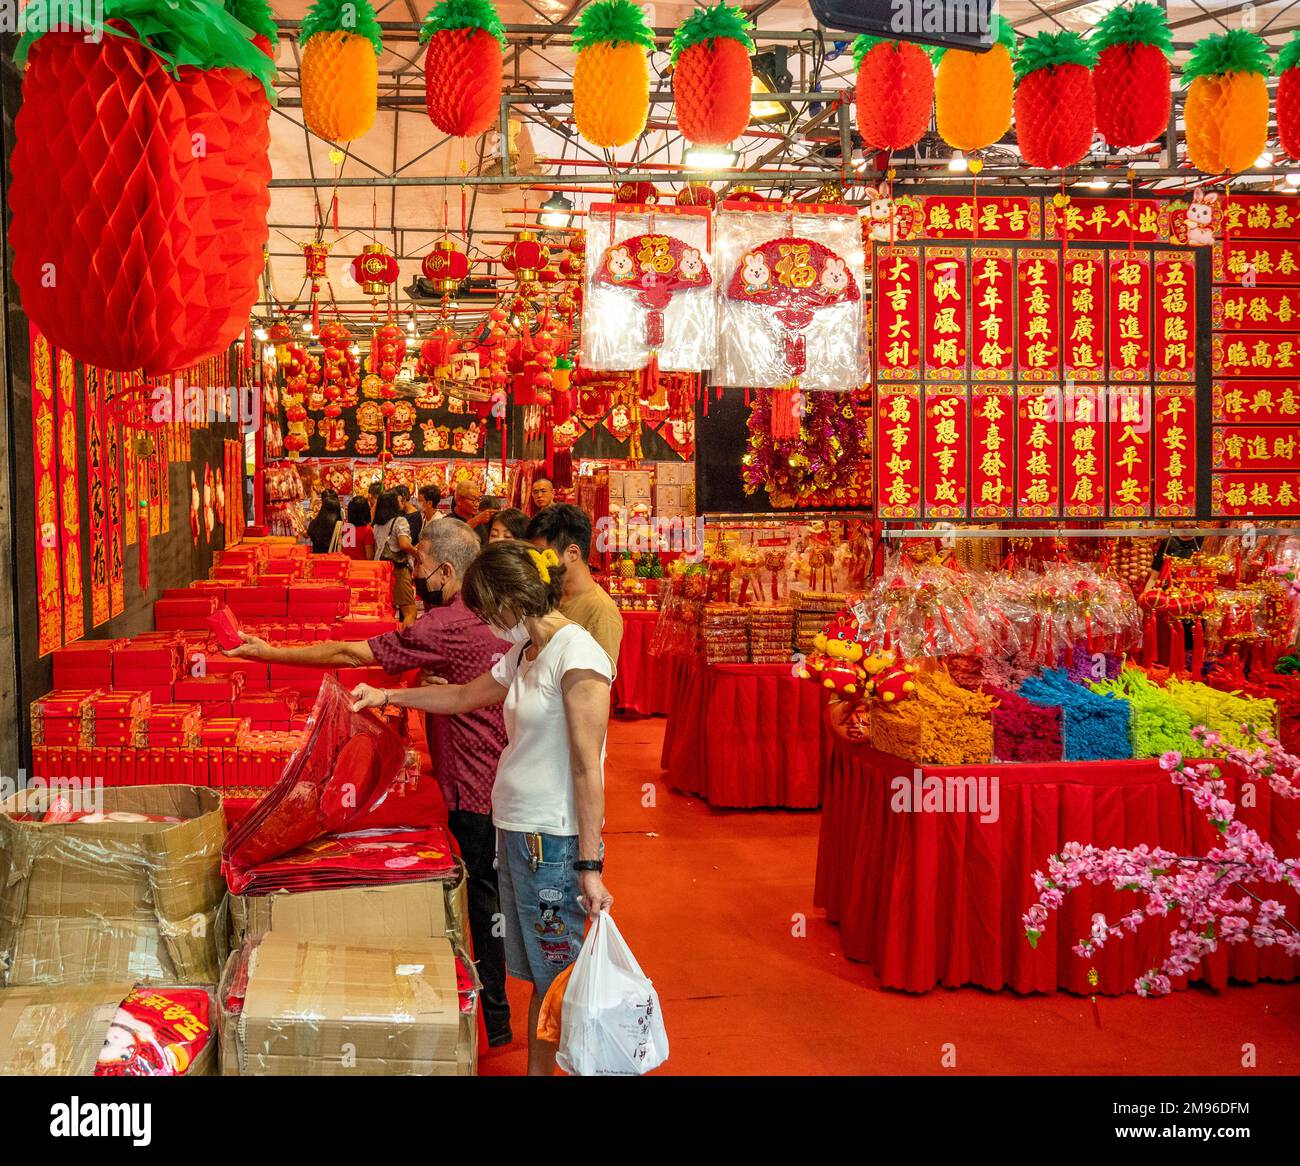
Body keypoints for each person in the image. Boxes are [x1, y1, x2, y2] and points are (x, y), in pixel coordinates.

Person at [224, 520, 515, 1046]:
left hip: (474, 785)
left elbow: (349, 654)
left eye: (419, 562)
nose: (413, 570)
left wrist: (267, 652)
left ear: (447, 571)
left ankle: (490, 1016)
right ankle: (492, 1010)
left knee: (481, 900)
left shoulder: (446, 622)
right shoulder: (499, 613)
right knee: (492, 896)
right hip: (505, 772)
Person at [349, 540, 614, 1077]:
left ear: (508, 600)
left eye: (488, 611)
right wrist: (387, 698)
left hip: (552, 840)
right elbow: (464, 696)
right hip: (514, 831)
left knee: (560, 975)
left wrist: (589, 866)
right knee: (542, 975)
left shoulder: (578, 656)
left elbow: (588, 770)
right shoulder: (525, 653)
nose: (487, 624)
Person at [527, 503, 623, 667]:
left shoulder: (601, 611)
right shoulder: (548, 592)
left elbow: (597, 683)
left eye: (542, 554)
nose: (536, 561)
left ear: (572, 553)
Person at [373, 490, 418, 626]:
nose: (402, 502)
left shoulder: (377, 524)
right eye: (399, 500)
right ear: (393, 504)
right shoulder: (400, 521)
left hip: (380, 570)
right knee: (410, 612)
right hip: (397, 570)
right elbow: (404, 544)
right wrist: (417, 552)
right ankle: (405, 642)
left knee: (387, 611)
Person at [305, 490, 343, 554]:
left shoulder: (316, 523)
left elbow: (306, 534)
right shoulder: (342, 525)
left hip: (317, 559)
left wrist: (311, 506)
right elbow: (349, 545)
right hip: (335, 560)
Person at [342, 494, 375, 561]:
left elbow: (346, 551)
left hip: (347, 565)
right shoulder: (368, 530)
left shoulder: (346, 527)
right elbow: (369, 556)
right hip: (361, 567)